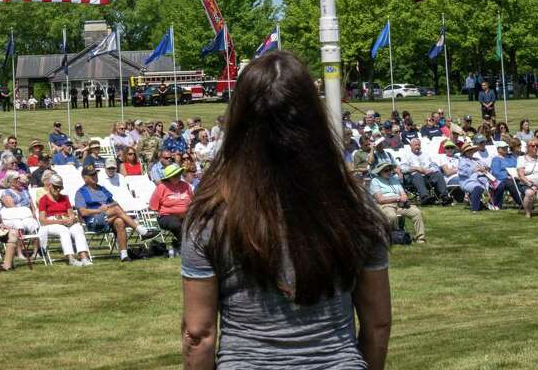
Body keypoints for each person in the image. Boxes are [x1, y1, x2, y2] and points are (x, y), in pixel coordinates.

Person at [180, 52, 391, 370]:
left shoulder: (210, 214)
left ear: (239, 120)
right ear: (313, 117)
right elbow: (378, 326)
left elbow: (198, 334)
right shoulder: (356, 206)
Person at [74, 165, 156, 262]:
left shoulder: (102, 189)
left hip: (108, 219)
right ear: (84, 178)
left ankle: (124, 255)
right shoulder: (81, 192)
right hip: (93, 221)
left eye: (95, 174)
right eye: (91, 175)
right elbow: (83, 211)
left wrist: (109, 208)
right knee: (116, 210)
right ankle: (141, 231)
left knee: (119, 221)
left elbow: (114, 203)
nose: (94, 176)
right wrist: (99, 210)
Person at [36, 172, 92, 267]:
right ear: (50, 185)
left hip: (65, 221)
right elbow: (42, 220)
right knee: (64, 230)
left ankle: (84, 257)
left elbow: (71, 215)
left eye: (60, 187)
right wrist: (60, 221)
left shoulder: (65, 198)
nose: (58, 189)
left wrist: (71, 220)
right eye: (55, 187)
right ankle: (71, 259)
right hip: (51, 223)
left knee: (78, 228)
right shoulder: (43, 200)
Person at [369, 161, 426, 243]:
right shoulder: (375, 181)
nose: (389, 172)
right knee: (392, 216)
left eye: (390, 170)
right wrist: (398, 198)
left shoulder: (394, 179)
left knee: (416, 212)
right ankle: (394, 237)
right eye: (386, 170)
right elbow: (380, 199)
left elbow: (403, 194)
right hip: (385, 205)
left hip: (400, 205)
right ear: (379, 172)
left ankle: (420, 239)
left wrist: (404, 198)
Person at [150, 164, 193, 257]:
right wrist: (173, 211)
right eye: (175, 175)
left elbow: (193, 202)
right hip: (166, 216)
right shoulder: (162, 187)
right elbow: (153, 205)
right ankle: (185, 247)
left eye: (179, 174)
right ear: (169, 177)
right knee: (176, 224)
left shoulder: (186, 186)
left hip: (185, 215)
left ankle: (182, 245)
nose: (178, 176)